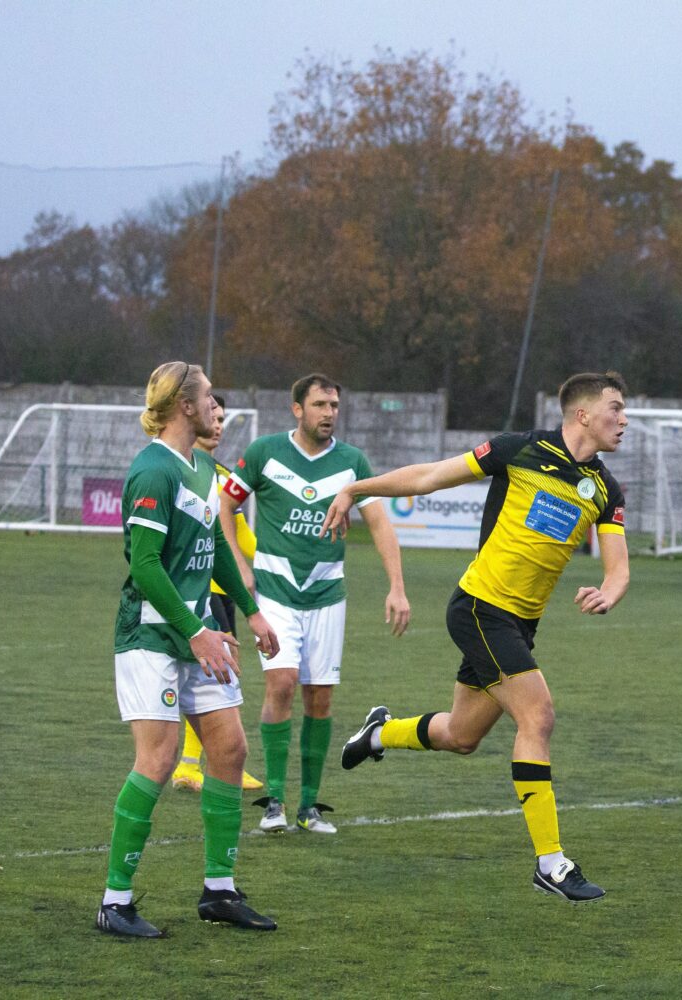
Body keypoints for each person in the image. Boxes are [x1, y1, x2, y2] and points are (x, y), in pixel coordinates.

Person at [324, 371, 630, 903]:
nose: (624, 420)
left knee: (461, 736)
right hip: (479, 608)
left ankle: (377, 734)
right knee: (539, 716)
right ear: (583, 414)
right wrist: (354, 488)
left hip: (520, 625)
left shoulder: (605, 489)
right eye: (616, 408)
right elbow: (428, 478)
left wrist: (609, 590)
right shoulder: (519, 450)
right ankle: (552, 864)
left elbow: (619, 568)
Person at [98, 361, 280, 938]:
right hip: (152, 634)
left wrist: (249, 610)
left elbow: (216, 546)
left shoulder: (204, 466)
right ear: (185, 405)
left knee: (229, 747)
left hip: (198, 629)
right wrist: (196, 631)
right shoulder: (152, 471)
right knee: (159, 756)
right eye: (207, 398)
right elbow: (145, 567)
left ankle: (219, 892)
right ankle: (115, 902)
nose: (215, 408)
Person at [221, 374, 410, 836]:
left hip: (327, 593)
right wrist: (238, 565)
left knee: (319, 697)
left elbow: (381, 525)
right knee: (282, 684)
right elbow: (224, 506)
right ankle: (275, 803)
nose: (329, 413)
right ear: (296, 408)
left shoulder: (352, 463)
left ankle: (308, 807)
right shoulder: (264, 452)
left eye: (335, 406)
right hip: (275, 591)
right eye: (320, 404)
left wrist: (397, 587)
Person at [171, 394, 264, 794]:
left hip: (223, 587)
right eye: (216, 416)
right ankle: (204, 763)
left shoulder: (221, 473)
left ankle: (198, 764)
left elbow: (238, 533)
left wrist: (272, 560)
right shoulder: (178, 468)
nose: (220, 424)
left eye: (225, 418)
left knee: (219, 672)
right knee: (218, 671)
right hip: (197, 590)